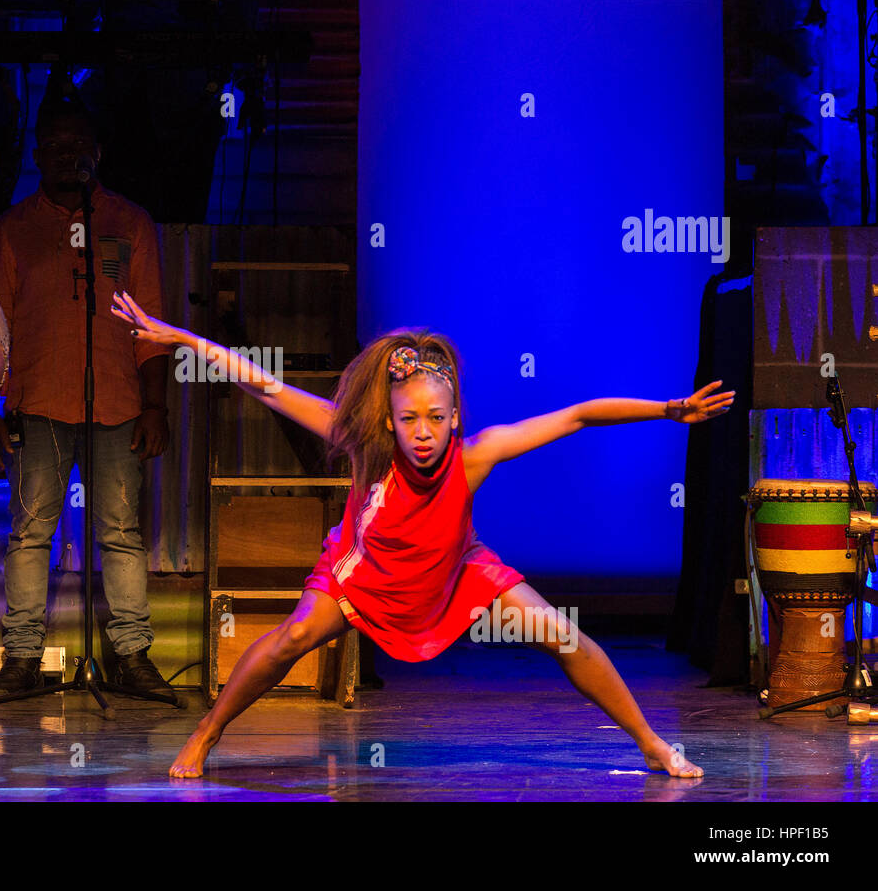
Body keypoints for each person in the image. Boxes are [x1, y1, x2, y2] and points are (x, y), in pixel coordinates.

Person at [110, 291, 735, 778]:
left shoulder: (476, 454)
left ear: (456, 416)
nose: (424, 432)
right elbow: (261, 383)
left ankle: (652, 744)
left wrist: (668, 408)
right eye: (409, 419)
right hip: (364, 574)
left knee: (564, 636)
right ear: (389, 418)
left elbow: (575, 415)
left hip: (457, 570)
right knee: (292, 637)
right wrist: (180, 338)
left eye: (437, 418)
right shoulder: (361, 441)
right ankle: (209, 731)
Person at [0, 97, 175, 701]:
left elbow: (152, 323)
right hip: (37, 401)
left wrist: (156, 406)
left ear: (98, 153)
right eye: (56, 146)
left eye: (78, 146)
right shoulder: (12, 229)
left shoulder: (129, 221)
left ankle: (133, 657)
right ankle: (21, 661)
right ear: (38, 155)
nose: (68, 156)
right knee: (31, 532)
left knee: (120, 531)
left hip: (116, 401)